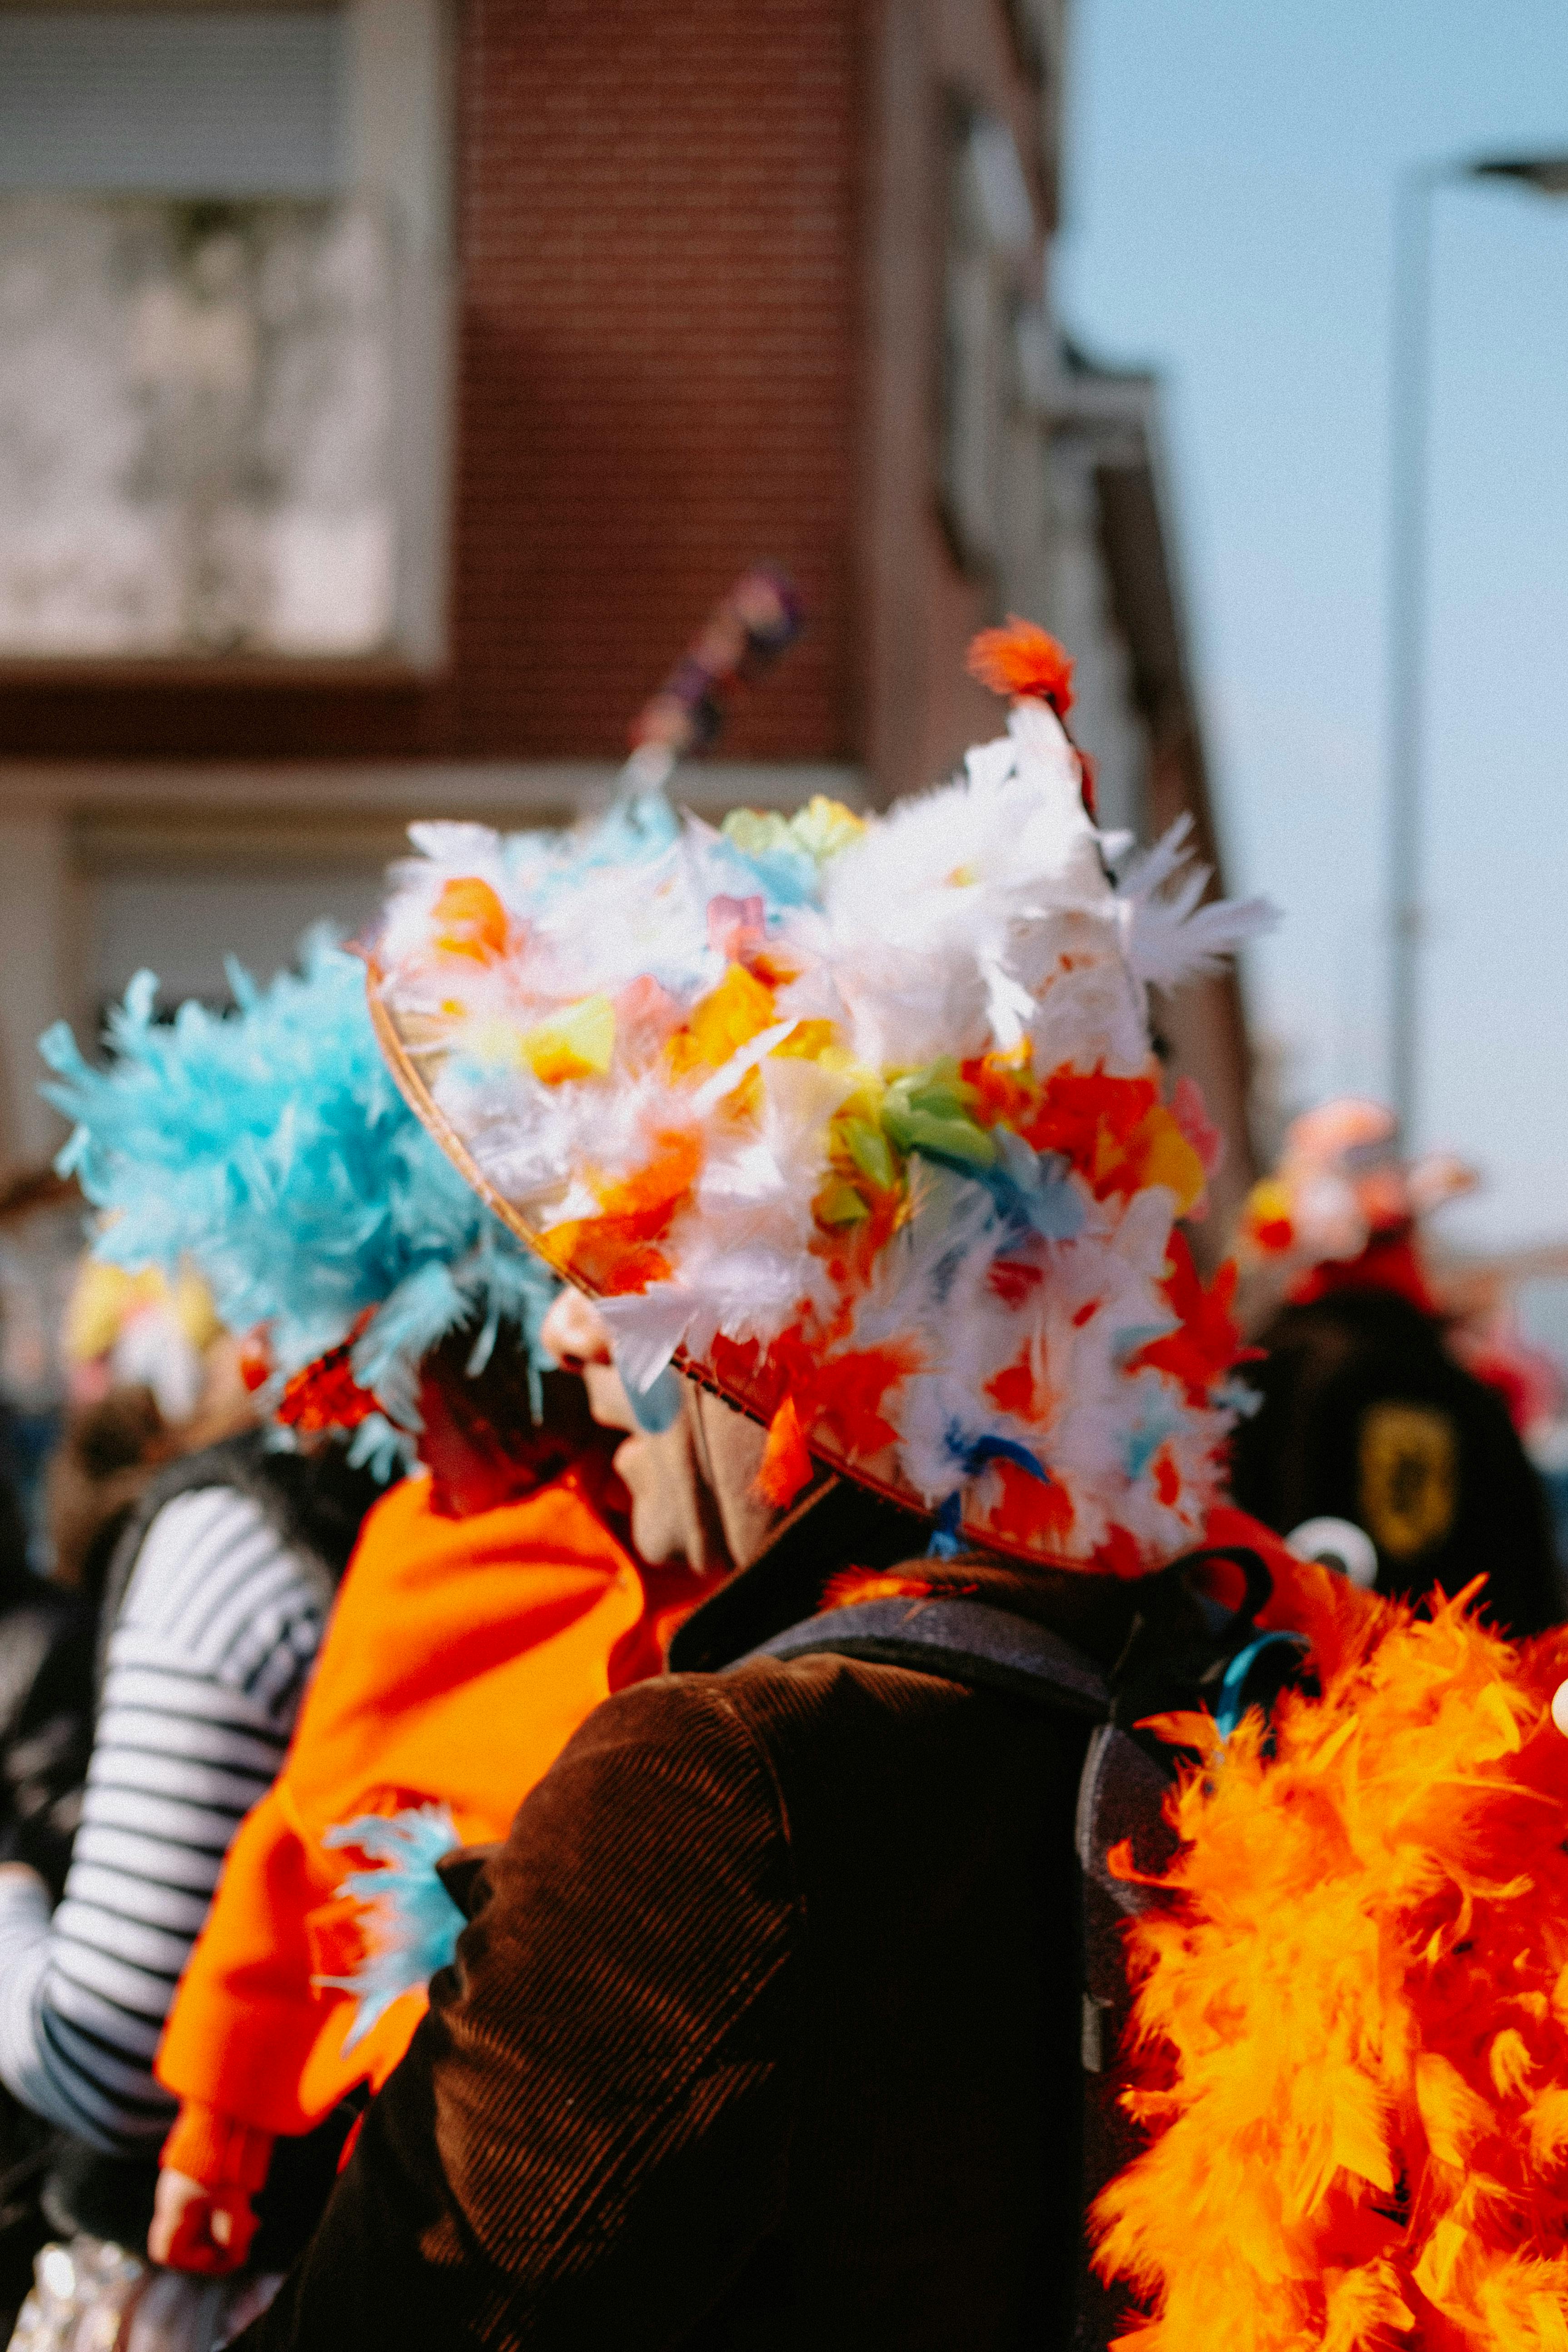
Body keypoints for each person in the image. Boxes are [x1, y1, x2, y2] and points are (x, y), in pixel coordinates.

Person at [228, 624, 1568, 2352]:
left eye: (639, 1277)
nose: (569, 1335)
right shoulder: (1229, 1693)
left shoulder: (712, 1785)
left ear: (800, 1353)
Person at [1230, 1096, 1562, 1631]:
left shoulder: (1263, 1364)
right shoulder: (1452, 1381)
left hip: (1273, 1687)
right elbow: (1526, 1584)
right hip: (1454, 1693)